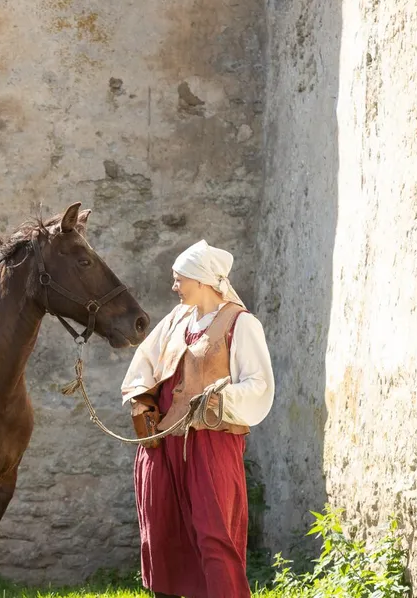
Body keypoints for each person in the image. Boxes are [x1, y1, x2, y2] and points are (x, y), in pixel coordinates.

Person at [119, 239, 276, 598]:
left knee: (214, 534)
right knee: (161, 534)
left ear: (201, 280)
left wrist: (218, 399)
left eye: (179, 279)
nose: (174, 287)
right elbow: (144, 362)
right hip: (163, 444)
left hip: (211, 445)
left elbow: (260, 385)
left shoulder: (241, 324)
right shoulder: (177, 319)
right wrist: (141, 400)